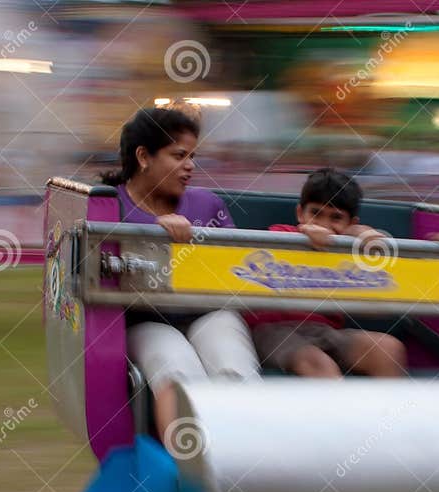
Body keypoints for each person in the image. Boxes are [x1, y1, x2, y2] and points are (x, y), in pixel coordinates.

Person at [100, 108, 260, 444]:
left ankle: (245, 459)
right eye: (179, 155)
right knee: (175, 368)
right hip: (145, 319)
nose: (190, 166)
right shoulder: (108, 206)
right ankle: (191, 466)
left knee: (233, 365)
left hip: (206, 310)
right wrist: (153, 234)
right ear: (144, 156)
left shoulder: (206, 204)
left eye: (192, 156)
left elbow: (232, 266)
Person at [247, 168, 408, 378]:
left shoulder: (349, 248)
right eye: (315, 213)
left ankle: (390, 411)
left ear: (351, 224)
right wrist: (306, 232)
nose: (324, 224)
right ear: (299, 213)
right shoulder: (281, 235)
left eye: (336, 217)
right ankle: (343, 411)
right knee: (319, 363)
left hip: (325, 330)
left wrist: (360, 235)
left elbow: (381, 257)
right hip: (274, 330)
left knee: (389, 349)